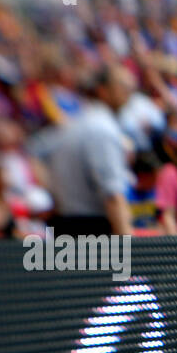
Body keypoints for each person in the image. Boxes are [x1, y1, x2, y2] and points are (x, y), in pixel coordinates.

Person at [38, 64, 135, 236]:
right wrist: (131, 251)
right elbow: (113, 196)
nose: (129, 92)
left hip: (66, 227)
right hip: (92, 230)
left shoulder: (80, 122)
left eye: (131, 86)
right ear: (103, 90)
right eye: (123, 86)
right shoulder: (102, 129)